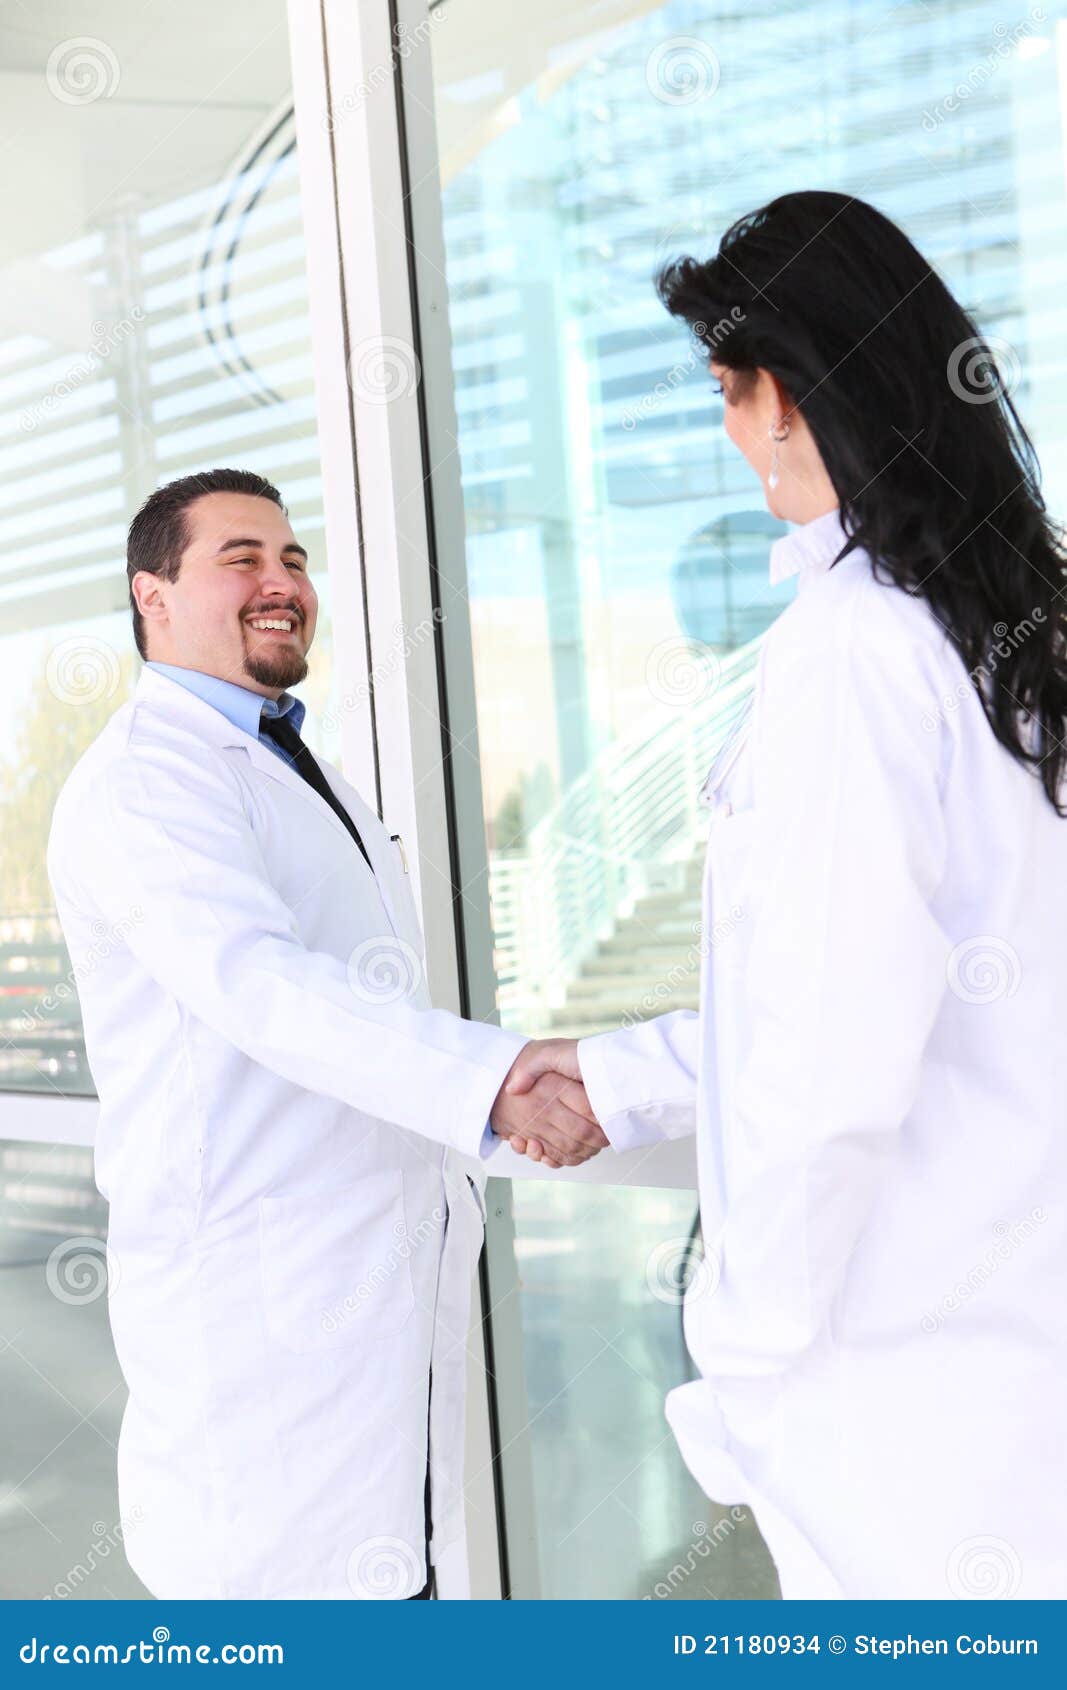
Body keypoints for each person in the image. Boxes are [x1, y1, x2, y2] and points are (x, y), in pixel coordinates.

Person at [507, 191, 1067, 1599]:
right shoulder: (1011, 644)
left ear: (785, 395)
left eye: (722, 387)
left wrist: (737, 1355)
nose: (723, 428)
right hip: (1009, 1372)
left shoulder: (848, 653)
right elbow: (893, 987)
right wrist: (615, 1068)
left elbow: (825, 1063)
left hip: (897, 1406)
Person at [46, 468, 606, 1601]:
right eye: (240, 557)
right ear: (152, 596)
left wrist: (508, 1089)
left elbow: (364, 1008)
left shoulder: (304, 767)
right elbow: (263, 987)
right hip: (262, 1305)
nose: (281, 581)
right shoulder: (143, 785)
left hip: (367, 1294)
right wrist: (500, 1083)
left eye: (294, 558)